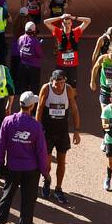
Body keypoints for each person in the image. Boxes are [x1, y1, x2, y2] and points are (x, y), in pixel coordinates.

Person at [0, 91, 50, 224]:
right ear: (31, 106)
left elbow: (1, 144)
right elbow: (41, 152)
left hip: (13, 167)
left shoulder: (8, 121)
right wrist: (45, 172)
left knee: (6, 198)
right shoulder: (36, 126)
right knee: (28, 204)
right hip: (31, 170)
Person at [37, 69, 79, 203]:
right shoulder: (46, 89)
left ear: (65, 81)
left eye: (62, 82)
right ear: (51, 81)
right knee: (47, 163)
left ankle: (59, 188)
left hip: (62, 133)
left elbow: (74, 109)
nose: (59, 85)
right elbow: (39, 108)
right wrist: (37, 129)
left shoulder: (68, 89)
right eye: (57, 83)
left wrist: (77, 130)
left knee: (62, 161)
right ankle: (47, 182)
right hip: (47, 133)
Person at [45, 13, 91, 89]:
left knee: (72, 87)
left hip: (73, 65)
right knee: (58, 86)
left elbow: (88, 20)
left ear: (71, 23)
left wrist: (74, 17)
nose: (67, 25)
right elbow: (46, 22)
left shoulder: (76, 32)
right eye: (65, 23)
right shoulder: (58, 32)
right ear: (62, 24)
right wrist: (60, 17)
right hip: (61, 65)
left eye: (69, 23)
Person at [13, 21, 44, 96]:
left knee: (24, 87)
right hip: (34, 68)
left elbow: (18, 48)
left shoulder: (21, 38)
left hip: (22, 66)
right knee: (34, 88)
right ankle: (34, 106)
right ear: (34, 30)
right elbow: (40, 55)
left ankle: (24, 104)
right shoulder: (36, 42)